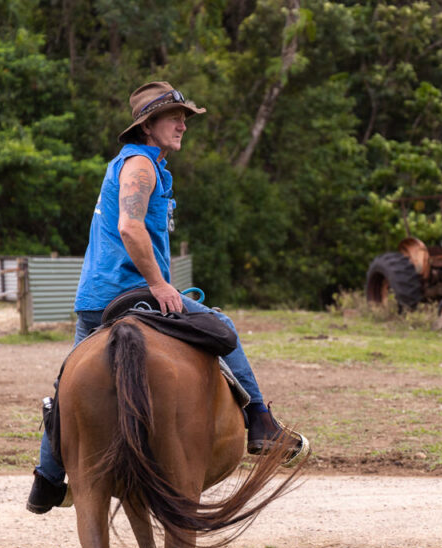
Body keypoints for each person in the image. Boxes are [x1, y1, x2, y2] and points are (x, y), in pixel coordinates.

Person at [26, 81, 306, 514]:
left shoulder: (129, 162)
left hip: (94, 298)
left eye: (184, 118)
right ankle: (261, 424)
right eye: (174, 116)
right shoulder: (142, 165)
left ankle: (47, 479)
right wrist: (159, 285)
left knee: (69, 383)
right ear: (147, 124)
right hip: (135, 292)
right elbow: (129, 227)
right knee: (224, 327)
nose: (182, 124)